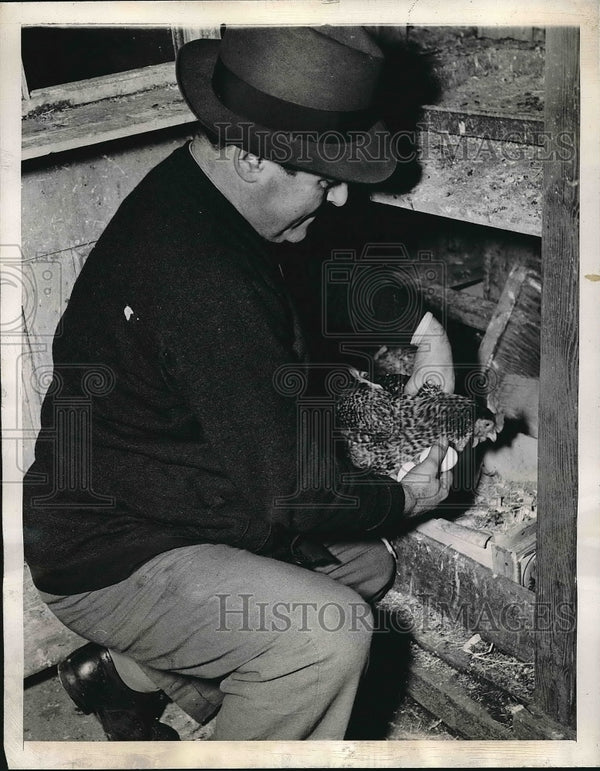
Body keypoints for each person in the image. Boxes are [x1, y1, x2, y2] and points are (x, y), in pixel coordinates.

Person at [23, 25, 452, 741]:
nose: (340, 199)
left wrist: (424, 330)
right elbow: (294, 494)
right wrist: (405, 492)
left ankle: (118, 677)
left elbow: (314, 276)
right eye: (322, 178)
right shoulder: (202, 278)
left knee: (366, 568)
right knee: (330, 632)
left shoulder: (208, 194)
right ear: (253, 156)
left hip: (172, 496)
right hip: (111, 551)